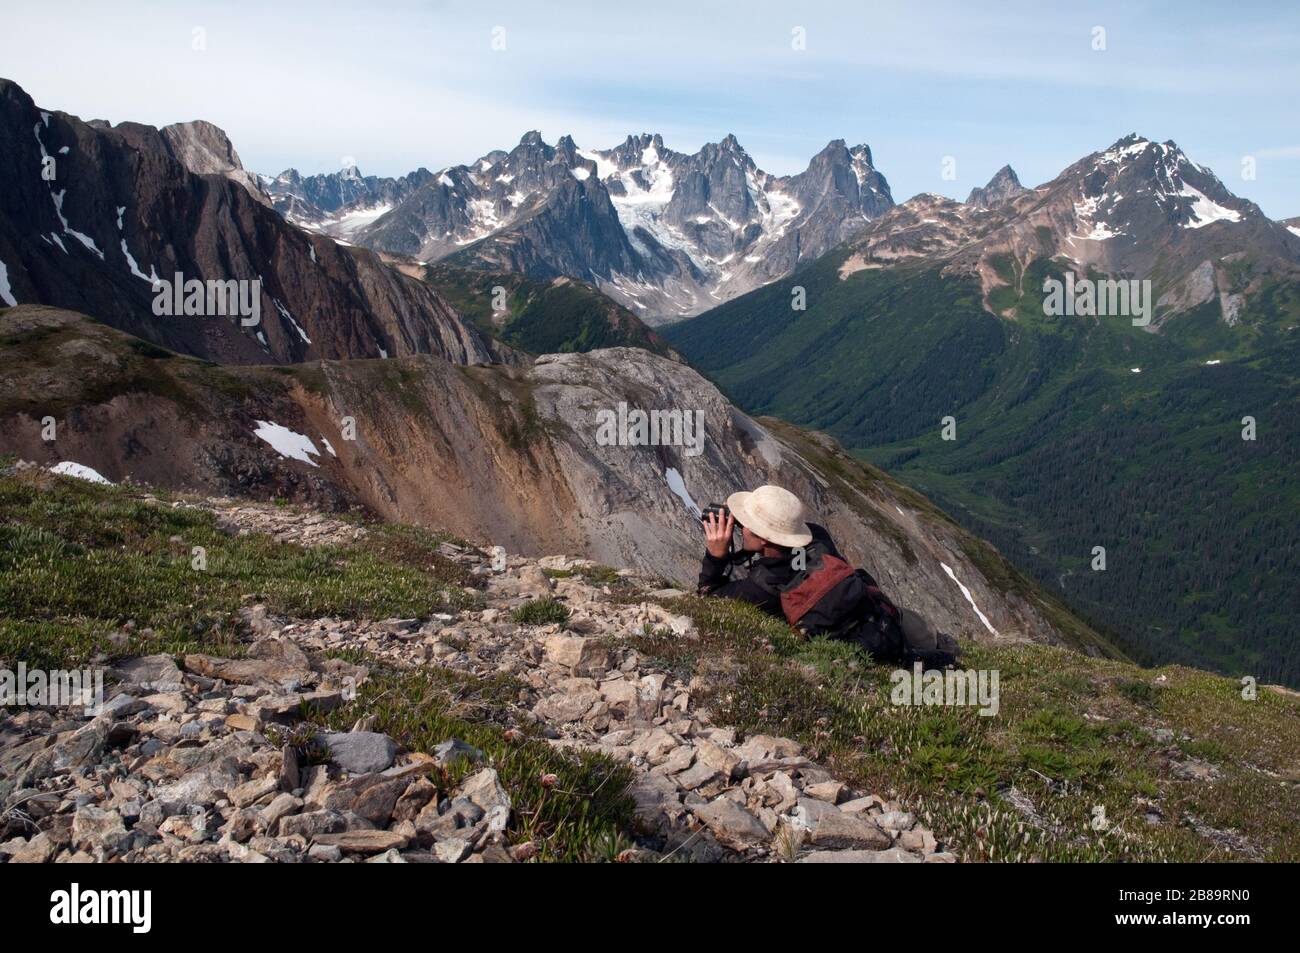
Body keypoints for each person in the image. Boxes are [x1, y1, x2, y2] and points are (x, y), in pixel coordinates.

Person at [698, 484, 958, 667]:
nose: (743, 529)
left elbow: (707, 596)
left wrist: (717, 556)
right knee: (922, 633)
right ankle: (935, 648)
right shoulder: (818, 539)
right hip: (879, 614)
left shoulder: (763, 589)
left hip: (861, 644)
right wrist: (758, 533)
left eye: (747, 527)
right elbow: (785, 549)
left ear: (764, 539)